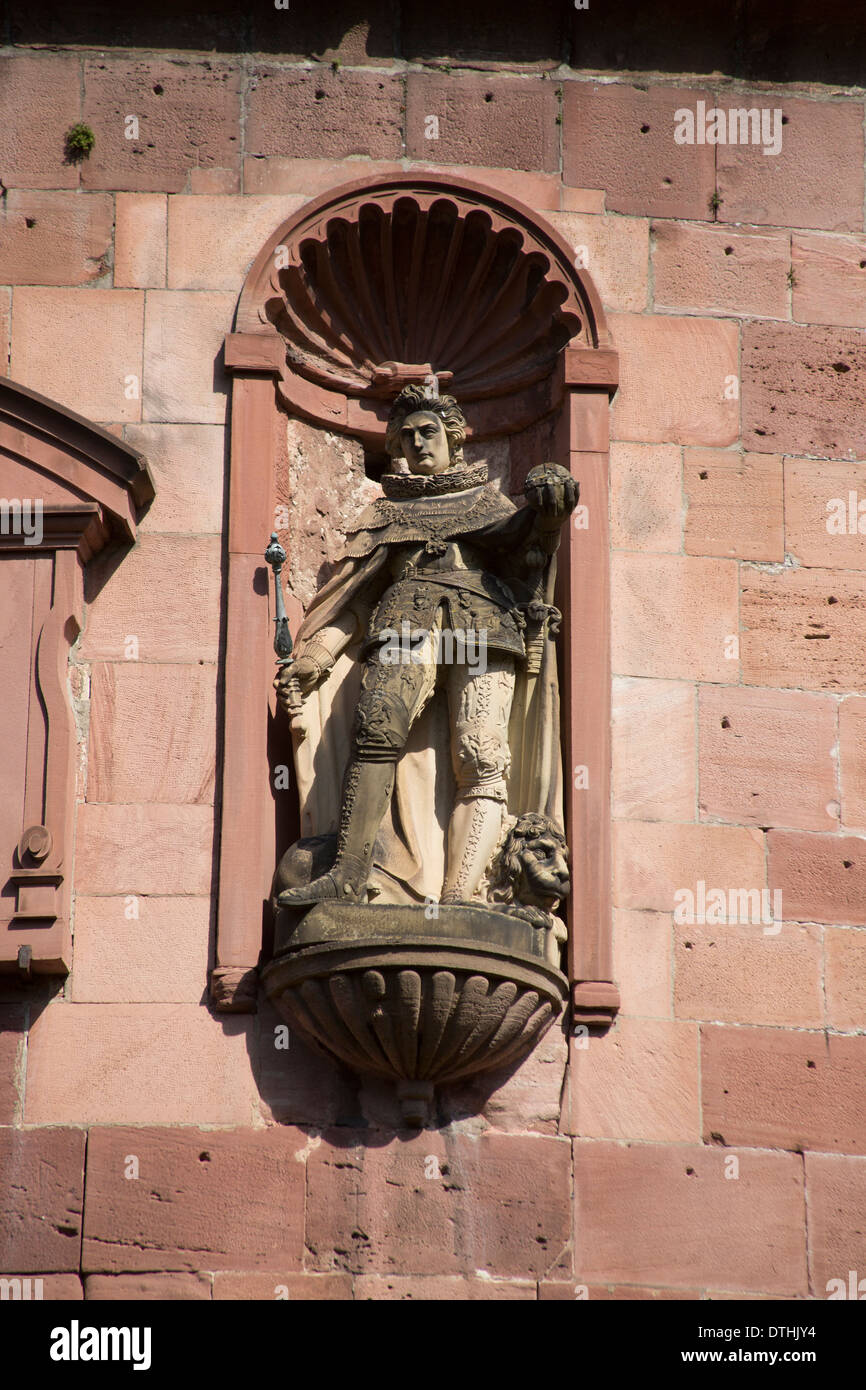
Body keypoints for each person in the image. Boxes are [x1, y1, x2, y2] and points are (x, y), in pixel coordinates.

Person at [275, 384, 576, 908]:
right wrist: (314, 659)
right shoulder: (387, 514)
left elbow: (529, 545)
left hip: (481, 624)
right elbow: (352, 601)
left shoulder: (487, 502)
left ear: (454, 438)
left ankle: (463, 898)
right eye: (405, 436)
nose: (416, 443)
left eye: (428, 431)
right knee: (376, 728)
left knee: (481, 755)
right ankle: (348, 873)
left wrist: (551, 505)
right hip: (403, 621)